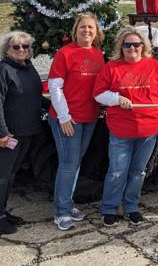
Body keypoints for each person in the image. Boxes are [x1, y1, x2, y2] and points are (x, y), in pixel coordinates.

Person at [94, 27, 158, 227]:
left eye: (136, 44)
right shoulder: (112, 67)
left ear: (143, 47)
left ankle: (131, 207)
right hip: (121, 131)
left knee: (138, 171)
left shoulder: (155, 66)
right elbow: (98, 94)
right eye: (127, 45)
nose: (132, 48)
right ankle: (110, 208)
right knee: (117, 171)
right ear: (121, 47)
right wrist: (117, 98)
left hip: (149, 130)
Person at [0, 31, 48, 235]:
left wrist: (56, 109)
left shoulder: (28, 68)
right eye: (16, 47)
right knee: (1, 175)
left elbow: (35, 98)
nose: (21, 50)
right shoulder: (1, 71)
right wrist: (2, 133)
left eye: (25, 47)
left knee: (11, 174)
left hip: (26, 132)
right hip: (7, 135)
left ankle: (2, 211)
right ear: (7, 50)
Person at [47, 13, 105, 231]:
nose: (87, 31)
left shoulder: (98, 55)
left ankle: (67, 204)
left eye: (91, 27)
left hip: (89, 117)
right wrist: (64, 117)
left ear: (96, 31)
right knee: (69, 163)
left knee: (75, 162)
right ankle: (61, 211)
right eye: (82, 27)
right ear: (76, 30)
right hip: (68, 119)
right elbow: (55, 86)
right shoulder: (65, 54)